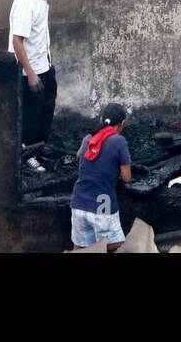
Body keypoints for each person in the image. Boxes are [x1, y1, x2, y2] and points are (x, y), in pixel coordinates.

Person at [9, 0, 56, 163]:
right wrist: (30, 74)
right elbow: (17, 41)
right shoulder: (24, 3)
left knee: (45, 110)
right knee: (31, 116)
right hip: (32, 70)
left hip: (44, 64)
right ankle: (28, 157)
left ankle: (40, 148)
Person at [70, 103, 133, 251]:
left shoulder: (88, 137)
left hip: (78, 202)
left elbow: (79, 155)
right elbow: (126, 177)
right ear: (122, 124)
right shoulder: (119, 141)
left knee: (79, 248)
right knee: (115, 248)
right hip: (102, 204)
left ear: (102, 119)